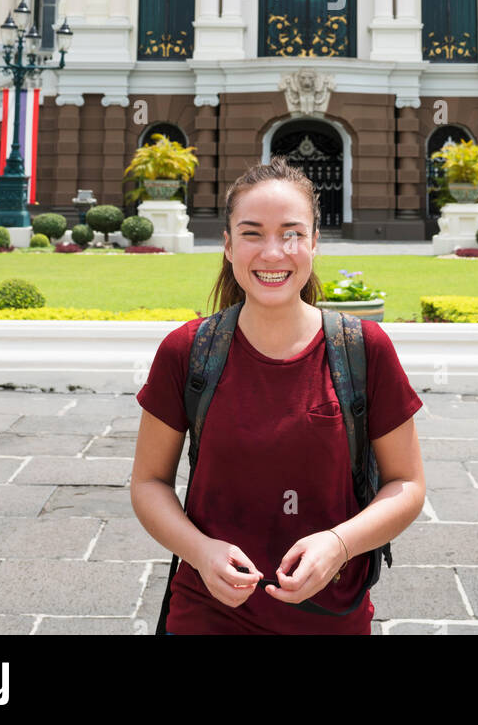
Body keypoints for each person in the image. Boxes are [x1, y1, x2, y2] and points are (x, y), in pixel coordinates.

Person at [130, 156, 426, 635]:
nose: (272, 252)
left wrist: (339, 544)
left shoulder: (363, 350)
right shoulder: (188, 352)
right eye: (251, 233)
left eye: (291, 233)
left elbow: (407, 485)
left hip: (331, 615)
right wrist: (201, 552)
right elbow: (148, 483)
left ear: (313, 243)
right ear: (227, 246)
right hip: (208, 613)